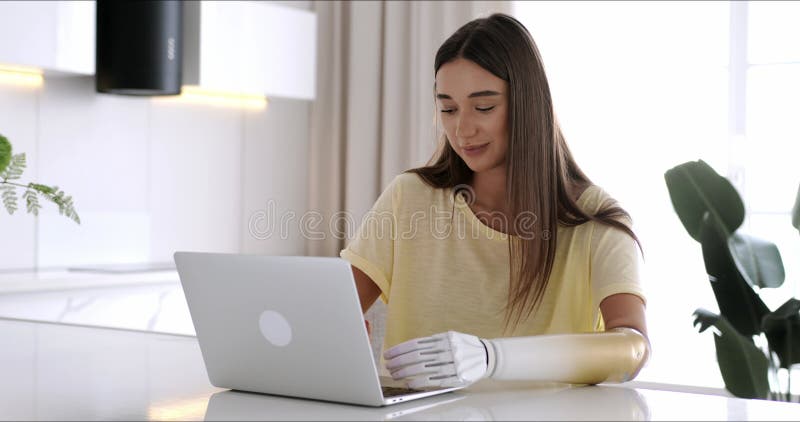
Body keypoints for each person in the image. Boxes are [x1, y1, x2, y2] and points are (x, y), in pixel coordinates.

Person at [340, 13, 649, 389]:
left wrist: (492, 357)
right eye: (448, 108)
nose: (462, 129)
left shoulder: (595, 221)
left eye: (483, 107)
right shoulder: (409, 199)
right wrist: (333, 333)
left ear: (527, 105)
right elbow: (335, 312)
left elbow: (633, 348)